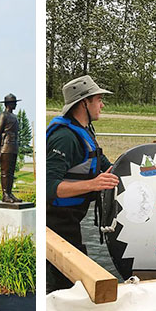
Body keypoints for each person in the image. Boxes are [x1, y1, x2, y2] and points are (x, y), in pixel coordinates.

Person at [45, 75, 118, 293]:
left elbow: (105, 166)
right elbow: (49, 187)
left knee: (73, 284)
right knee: (69, 286)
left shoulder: (85, 131)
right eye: (98, 99)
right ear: (83, 103)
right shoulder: (65, 138)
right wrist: (93, 185)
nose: (102, 105)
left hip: (71, 222)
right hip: (56, 224)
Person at [0, 94, 22, 202]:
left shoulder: (14, 117)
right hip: (5, 146)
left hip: (13, 146)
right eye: (14, 103)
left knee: (11, 172)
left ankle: (9, 193)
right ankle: (5, 194)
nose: (15, 104)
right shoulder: (3, 116)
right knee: (5, 172)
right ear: (8, 104)